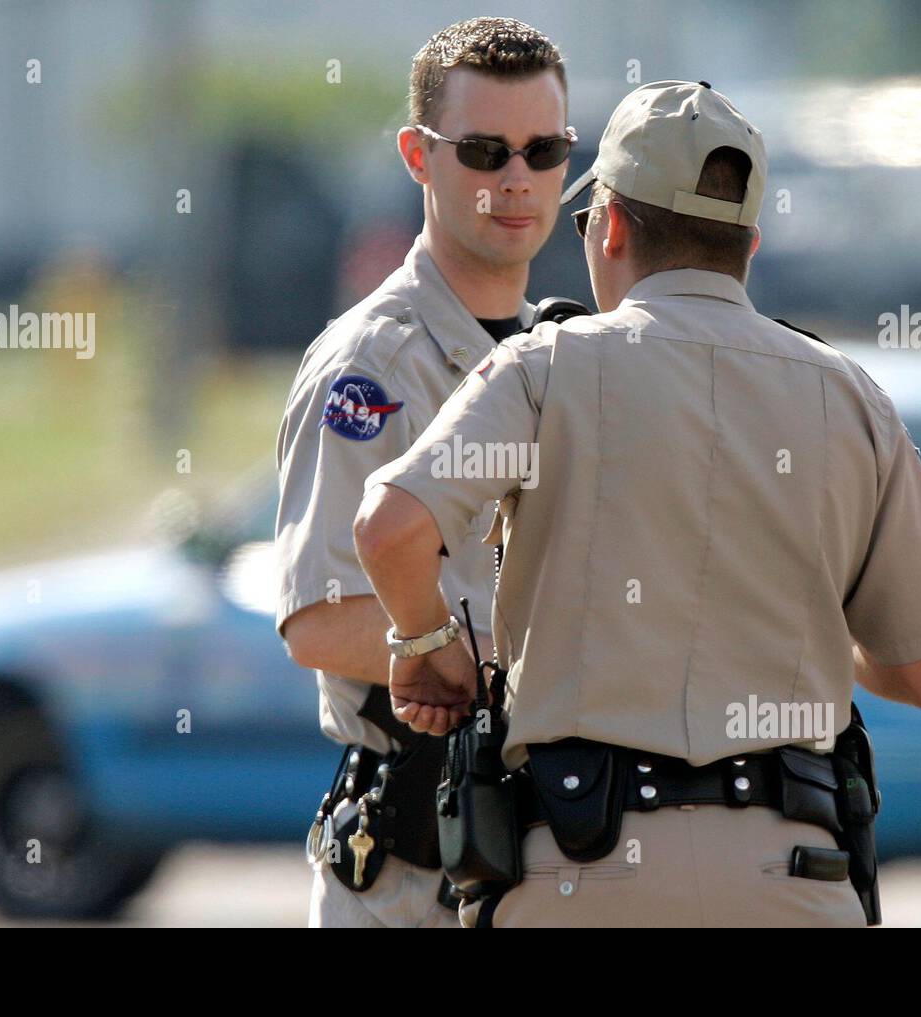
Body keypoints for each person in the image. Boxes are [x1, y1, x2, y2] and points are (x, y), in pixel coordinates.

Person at [352, 80, 921, 927]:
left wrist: (426, 643)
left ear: (609, 222)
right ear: (751, 244)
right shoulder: (851, 395)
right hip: (795, 876)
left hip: (581, 871)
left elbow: (391, 527)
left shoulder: (544, 370)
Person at [274, 17, 576, 928]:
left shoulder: (562, 353)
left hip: (543, 858)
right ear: (419, 155)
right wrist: (506, 662)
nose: (516, 179)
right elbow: (319, 618)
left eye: (544, 149)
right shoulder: (370, 368)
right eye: (482, 151)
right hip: (412, 870)